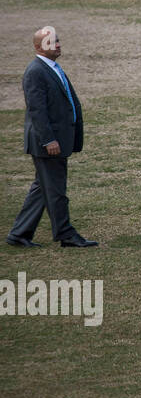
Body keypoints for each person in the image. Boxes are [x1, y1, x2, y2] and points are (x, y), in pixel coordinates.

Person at [6, 26, 96, 248]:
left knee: (42, 188)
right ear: (38, 47)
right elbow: (37, 110)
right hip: (47, 143)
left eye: (57, 41)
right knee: (56, 190)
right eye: (51, 42)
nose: (57, 45)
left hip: (56, 140)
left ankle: (19, 234)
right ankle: (65, 234)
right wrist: (48, 140)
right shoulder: (36, 71)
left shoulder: (52, 67)